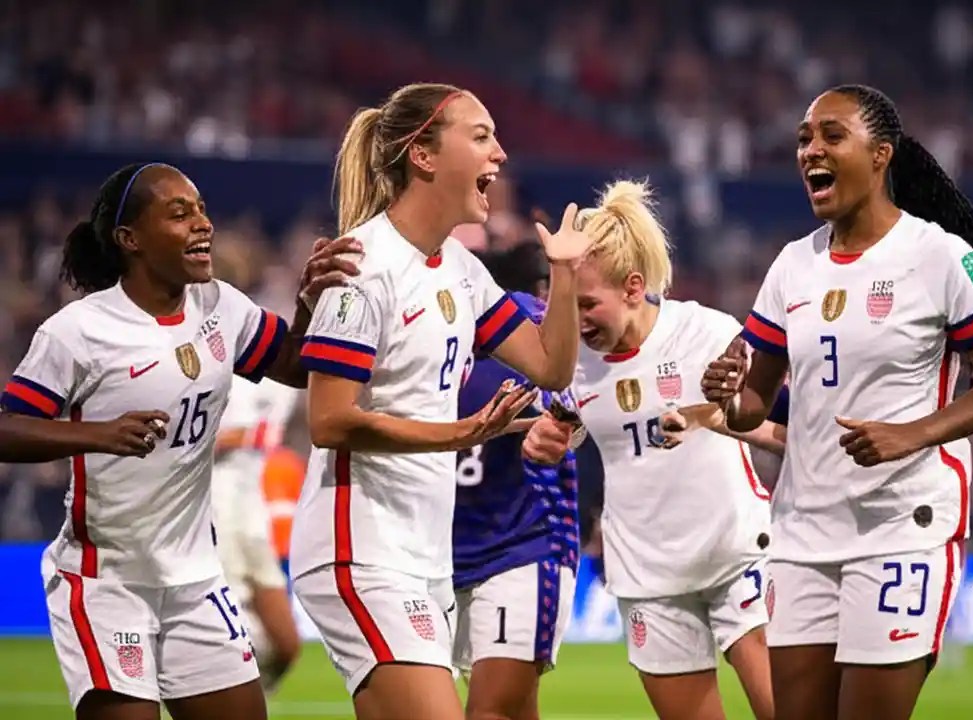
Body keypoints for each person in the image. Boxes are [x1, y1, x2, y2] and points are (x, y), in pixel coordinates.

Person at [701, 84, 973, 720]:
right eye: (803, 138)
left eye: (830, 135)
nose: (810, 150)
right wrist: (727, 395)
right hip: (802, 531)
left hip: (902, 526)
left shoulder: (939, 256)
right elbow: (754, 403)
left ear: (881, 155)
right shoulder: (793, 266)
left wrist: (914, 434)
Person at [0, 162, 356, 720]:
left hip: (196, 579)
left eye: (202, 210)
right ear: (130, 239)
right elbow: (6, 427)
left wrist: (308, 304)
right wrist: (95, 435)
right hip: (107, 581)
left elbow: (292, 364)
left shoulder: (221, 306)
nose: (202, 224)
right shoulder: (80, 330)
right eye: (179, 213)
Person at [289, 82, 592, 720]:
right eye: (481, 137)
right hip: (359, 548)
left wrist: (563, 273)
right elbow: (328, 421)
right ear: (424, 156)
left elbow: (550, 362)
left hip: (424, 553)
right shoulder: (362, 268)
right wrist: (460, 435)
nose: (501, 154)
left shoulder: (460, 269)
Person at [529, 178, 786, 720]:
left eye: (587, 305)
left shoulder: (707, 333)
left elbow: (779, 425)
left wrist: (712, 417)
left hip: (735, 553)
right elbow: (563, 426)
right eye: (565, 308)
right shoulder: (568, 365)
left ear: (632, 287)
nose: (576, 322)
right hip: (648, 576)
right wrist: (545, 441)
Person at [452, 244, 582, 719]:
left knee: (490, 711)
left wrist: (565, 428)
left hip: (521, 547)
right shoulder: (425, 322)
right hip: (441, 552)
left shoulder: (525, 319)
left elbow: (572, 404)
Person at [210, 375, 303, 694]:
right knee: (238, 642)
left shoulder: (286, 377)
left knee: (287, 646)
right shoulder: (218, 361)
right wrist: (246, 435)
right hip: (213, 504)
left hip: (251, 508)